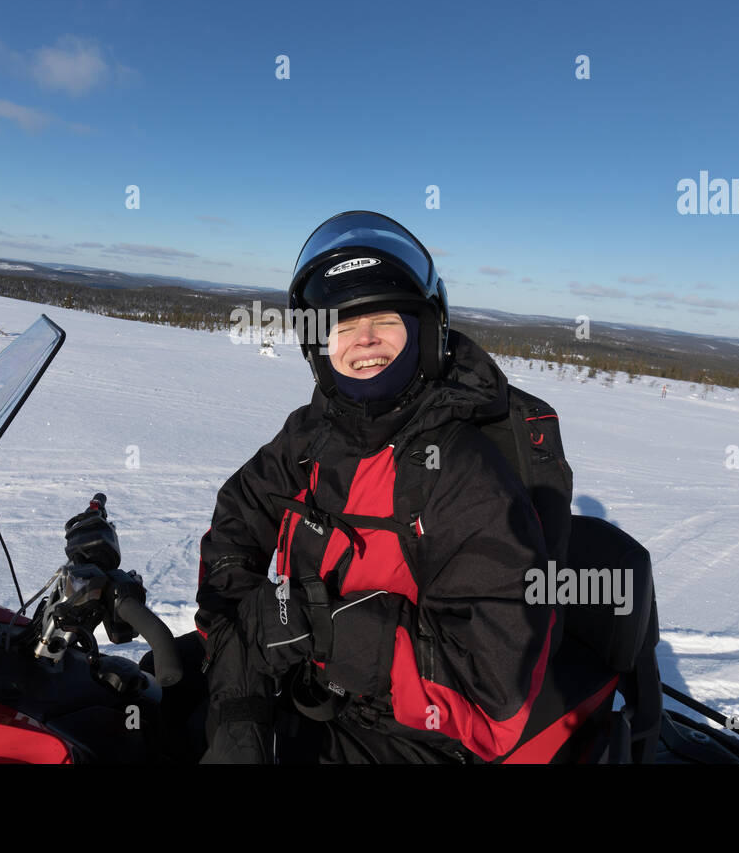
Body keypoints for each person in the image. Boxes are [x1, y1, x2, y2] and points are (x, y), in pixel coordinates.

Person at [194, 211, 563, 763]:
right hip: (310, 686)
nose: (363, 341)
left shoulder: (464, 470)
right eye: (342, 325)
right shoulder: (314, 431)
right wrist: (243, 619)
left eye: (384, 320)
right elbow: (239, 513)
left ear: (425, 334)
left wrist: (321, 630)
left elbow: (494, 694)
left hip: (418, 736)